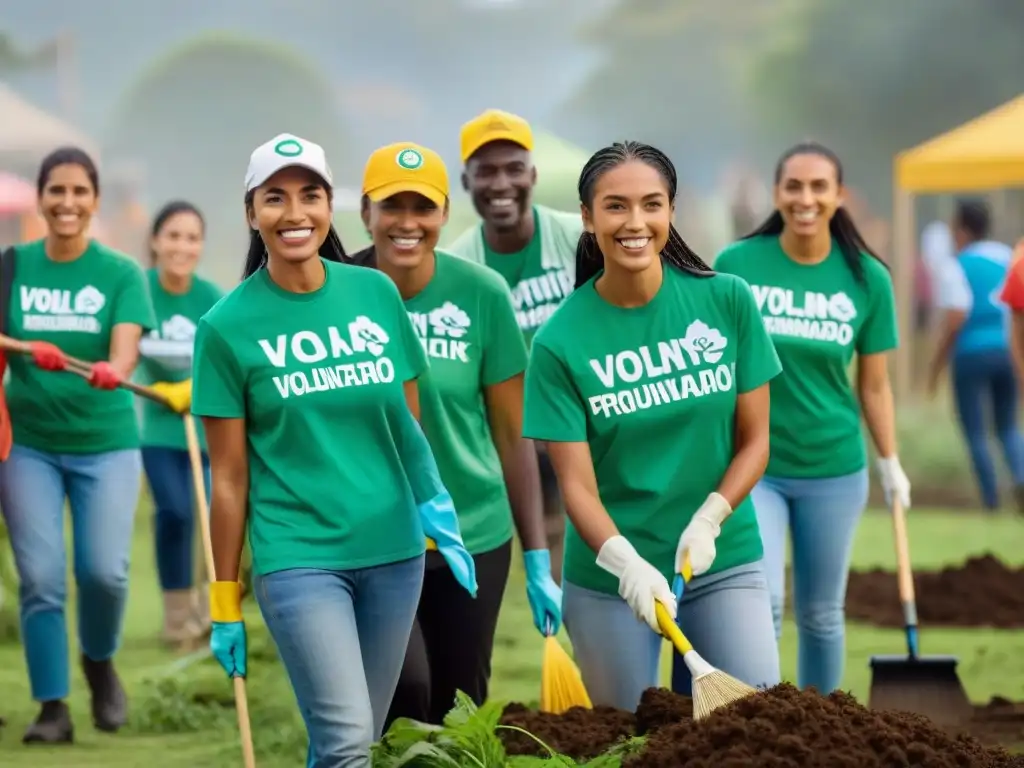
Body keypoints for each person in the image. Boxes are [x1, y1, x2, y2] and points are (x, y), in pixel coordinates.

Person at [192, 133, 475, 768]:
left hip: (393, 554)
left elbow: (406, 421)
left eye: (310, 196)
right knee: (348, 741)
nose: (295, 213)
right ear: (251, 213)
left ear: (330, 206)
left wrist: (433, 505)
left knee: (355, 743)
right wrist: (223, 599)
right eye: (275, 198)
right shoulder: (224, 328)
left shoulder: (374, 294)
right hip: (300, 559)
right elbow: (230, 479)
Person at [522, 140, 782, 711]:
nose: (634, 222)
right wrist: (627, 565)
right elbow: (576, 487)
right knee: (628, 737)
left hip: (720, 558)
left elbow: (756, 441)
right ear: (587, 218)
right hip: (611, 579)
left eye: (651, 204)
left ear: (671, 211)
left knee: (755, 720)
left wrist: (712, 519)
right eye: (615, 207)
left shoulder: (726, 301)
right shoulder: (559, 342)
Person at [349, 142, 562, 726]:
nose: (408, 223)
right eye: (393, 206)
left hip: (474, 534)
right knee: (405, 693)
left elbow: (512, 432)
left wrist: (538, 556)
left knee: (459, 705)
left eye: (425, 207)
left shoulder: (482, 292)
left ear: (445, 214)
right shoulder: (336, 291)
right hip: (373, 537)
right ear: (367, 212)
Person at [714, 141, 906, 695]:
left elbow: (873, 384)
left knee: (821, 615)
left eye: (819, 187)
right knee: (764, 603)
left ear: (838, 196)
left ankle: (823, 733)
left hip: (834, 469)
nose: (806, 198)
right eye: (794, 186)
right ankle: (763, 728)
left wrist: (890, 461)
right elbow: (716, 370)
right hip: (757, 467)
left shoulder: (869, 278)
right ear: (776, 194)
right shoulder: (736, 266)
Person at [0, 146, 156, 743]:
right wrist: (17, 349)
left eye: (79, 192)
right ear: (41, 199)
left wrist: (113, 367)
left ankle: (99, 661)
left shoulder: (120, 273)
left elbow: (125, 346)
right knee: (40, 577)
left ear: (94, 201)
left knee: (105, 573)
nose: (67, 203)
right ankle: (51, 708)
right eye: (56, 191)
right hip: (29, 445)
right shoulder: (12, 266)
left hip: (106, 443)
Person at [446, 109, 583, 584]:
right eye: (486, 172)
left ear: (533, 176)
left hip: (585, 422)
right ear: (466, 181)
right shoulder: (459, 265)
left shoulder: (576, 241)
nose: (500, 183)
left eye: (513, 169)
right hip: (507, 434)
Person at [136, 200, 224, 648]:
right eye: (173, 236)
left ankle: (212, 612)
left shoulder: (210, 298)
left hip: (206, 428)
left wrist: (196, 387)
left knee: (214, 515)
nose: (181, 246)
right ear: (155, 241)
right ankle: (176, 618)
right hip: (158, 428)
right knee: (174, 512)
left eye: (191, 238)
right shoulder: (139, 290)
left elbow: (225, 361)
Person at [928, 200, 1024, 513]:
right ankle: (1021, 480)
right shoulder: (1008, 257)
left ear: (963, 230)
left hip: (971, 355)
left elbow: (956, 315)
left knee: (976, 430)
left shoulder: (956, 264)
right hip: (1008, 352)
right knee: (1008, 426)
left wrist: (937, 366)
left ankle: (991, 499)